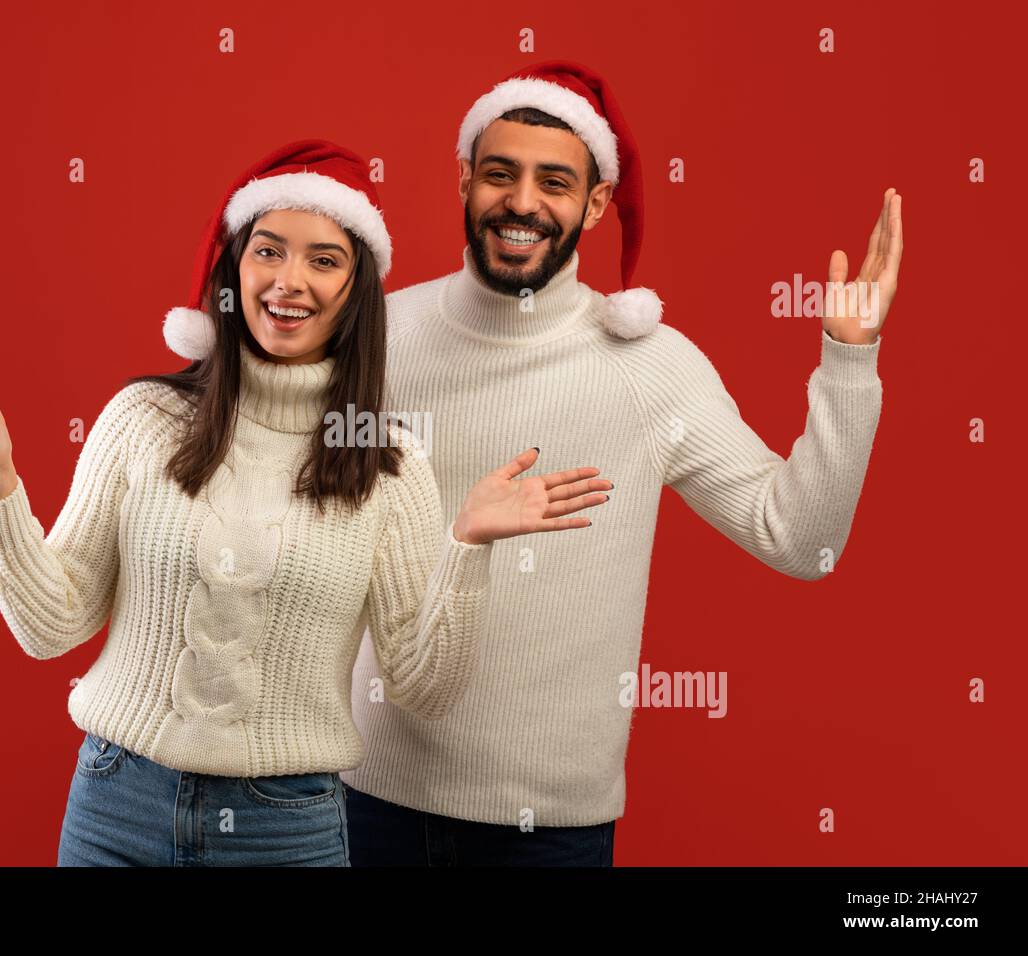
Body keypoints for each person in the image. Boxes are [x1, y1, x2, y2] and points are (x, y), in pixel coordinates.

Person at [165, 60, 902, 866]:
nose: (522, 203)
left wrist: (848, 359)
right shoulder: (381, 342)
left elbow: (800, 539)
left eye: (554, 181)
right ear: (463, 183)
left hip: (550, 827)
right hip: (354, 797)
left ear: (593, 203)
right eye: (499, 174)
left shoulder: (650, 366)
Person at [0, 139, 610, 866]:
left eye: (324, 260)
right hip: (117, 805)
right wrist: (1, 492)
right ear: (235, 268)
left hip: (286, 829)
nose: (290, 281)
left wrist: (467, 548)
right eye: (269, 251)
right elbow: (52, 627)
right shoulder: (143, 419)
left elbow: (423, 689)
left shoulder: (387, 466)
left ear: (355, 292)